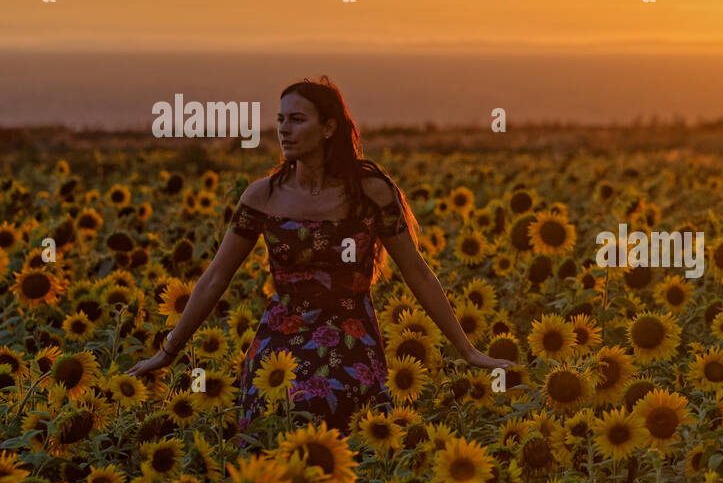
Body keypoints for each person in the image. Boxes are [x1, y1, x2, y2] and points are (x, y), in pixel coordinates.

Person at [128, 75, 513, 446]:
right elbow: (216, 277)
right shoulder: (262, 197)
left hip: (351, 342)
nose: (284, 129)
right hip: (279, 347)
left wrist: (468, 351)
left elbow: (417, 273)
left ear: (329, 128)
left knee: (353, 458)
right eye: (280, 119)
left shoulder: (370, 193)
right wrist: (168, 351)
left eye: (297, 119)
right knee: (270, 451)